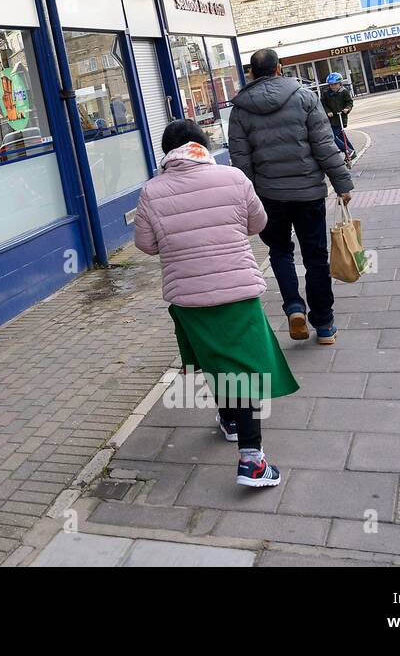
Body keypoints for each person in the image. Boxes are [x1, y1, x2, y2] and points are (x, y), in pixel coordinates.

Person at [133, 119, 299, 487]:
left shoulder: (151, 191)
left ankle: (229, 420)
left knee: (216, 361)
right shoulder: (234, 178)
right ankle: (252, 460)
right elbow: (258, 222)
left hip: (189, 299)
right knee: (244, 369)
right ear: (202, 145)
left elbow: (145, 245)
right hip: (236, 291)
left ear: (167, 152)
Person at [228, 49, 354, 346]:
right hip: (309, 192)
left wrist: (248, 198)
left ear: (251, 73)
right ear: (279, 68)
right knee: (316, 257)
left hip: (269, 196)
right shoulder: (305, 97)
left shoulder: (240, 109)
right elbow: (324, 145)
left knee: (281, 253)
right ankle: (324, 324)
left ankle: (294, 308)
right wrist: (342, 183)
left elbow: (241, 161)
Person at [321, 72, 355, 164]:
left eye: (335, 84)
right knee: (341, 136)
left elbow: (349, 102)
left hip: (340, 118)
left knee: (331, 136)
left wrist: (347, 109)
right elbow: (323, 104)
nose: (333, 87)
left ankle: (347, 150)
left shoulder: (344, 92)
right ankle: (352, 151)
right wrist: (328, 111)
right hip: (331, 119)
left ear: (340, 83)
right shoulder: (326, 93)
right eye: (331, 85)